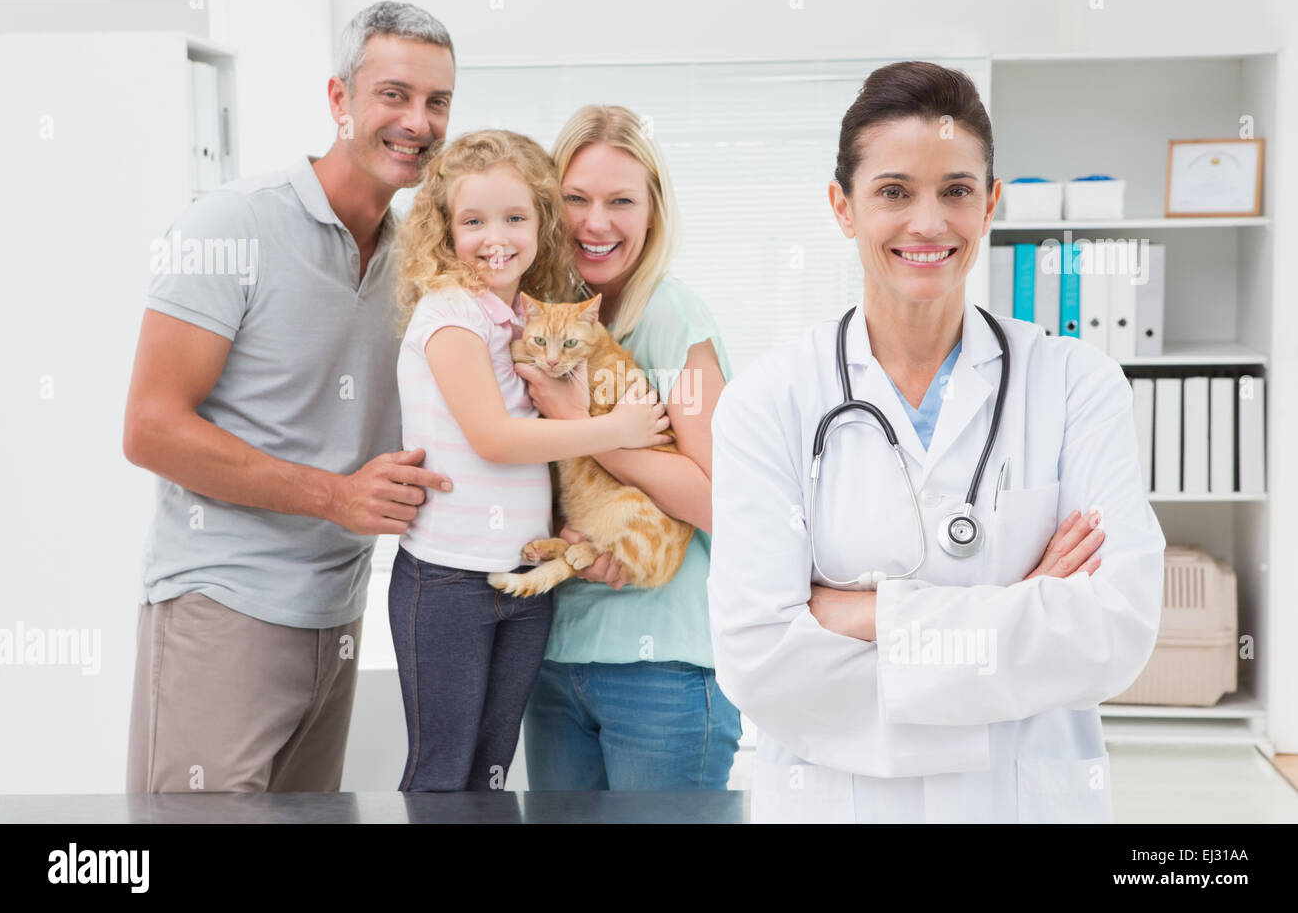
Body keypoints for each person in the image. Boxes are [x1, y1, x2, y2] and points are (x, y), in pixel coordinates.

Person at [707, 61, 1166, 823]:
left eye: (955, 190)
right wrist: (1016, 609)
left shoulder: (1077, 385)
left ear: (989, 205)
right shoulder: (768, 401)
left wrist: (870, 616)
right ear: (843, 207)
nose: (928, 223)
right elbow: (759, 661)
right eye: (894, 191)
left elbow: (1114, 630)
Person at [123, 1, 458, 793]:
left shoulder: (423, 257)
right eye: (394, 94)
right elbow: (150, 428)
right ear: (339, 99)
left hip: (336, 614)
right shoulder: (230, 225)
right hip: (221, 604)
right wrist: (334, 496)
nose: (418, 122)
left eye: (437, 101)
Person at [388, 129, 672, 791]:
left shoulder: (521, 321)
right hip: (449, 581)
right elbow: (495, 439)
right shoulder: (452, 314)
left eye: (515, 217)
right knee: (441, 775)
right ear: (444, 230)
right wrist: (614, 428)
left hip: (522, 577)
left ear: (543, 224)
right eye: (474, 221)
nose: (497, 237)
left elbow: (537, 455)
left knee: (490, 772)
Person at [517, 105, 743, 790]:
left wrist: (584, 426)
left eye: (621, 201)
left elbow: (721, 501)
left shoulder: (673, 318)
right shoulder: (541, 320)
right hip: (555, 660)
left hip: (663, 674)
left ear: (653, 212)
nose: (596, 223)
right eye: (576, 199)